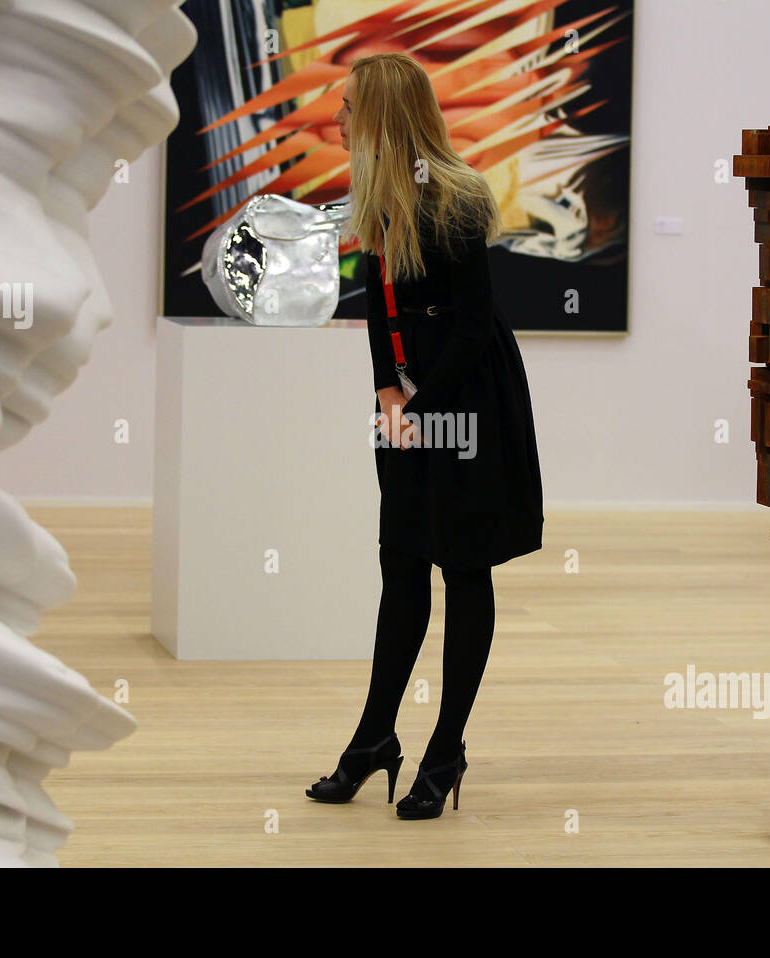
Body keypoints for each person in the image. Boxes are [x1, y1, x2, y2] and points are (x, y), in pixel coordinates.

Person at [306, 52, 543, 820]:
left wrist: (419, 405)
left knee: (464, 569)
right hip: (407, 405)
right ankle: (375, 740)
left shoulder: (460, 197)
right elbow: (378, 309)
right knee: (401, 566)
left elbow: (473, 328)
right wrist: (386, 394)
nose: (336, 120)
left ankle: (445, 751)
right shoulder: (375, 199)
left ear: (380, 114)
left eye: (347, 108)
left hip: (466, 404)